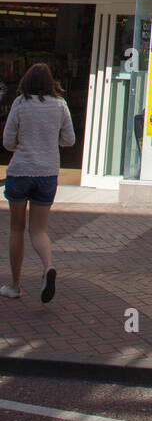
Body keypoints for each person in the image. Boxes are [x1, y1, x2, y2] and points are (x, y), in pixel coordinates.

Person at [1, 63, 75, 302]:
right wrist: (50, 142)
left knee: (16, 229)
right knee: (38, 230)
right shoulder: (60, 105)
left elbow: (8, 141)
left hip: (20, 171)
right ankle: (47, 267)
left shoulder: (20, 104)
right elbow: (69, 139)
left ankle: (14, 285)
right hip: (47, 173)